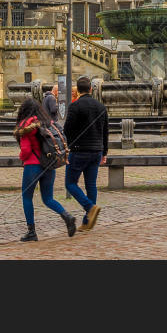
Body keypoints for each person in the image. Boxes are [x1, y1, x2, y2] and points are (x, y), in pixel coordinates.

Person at [14, 98, 77, 242]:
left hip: (32, 166)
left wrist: (21, 158)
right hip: (49, 164)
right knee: (48, 198)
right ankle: (67, 216)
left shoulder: (25, 125)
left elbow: (26, 150)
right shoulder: (47, 122)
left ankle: (31, 232)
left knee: (27, 197)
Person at [63, 76, 109, 231]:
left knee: (70, 183)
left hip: (79, 150)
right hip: (96, 151)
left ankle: (90, 207)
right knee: (91, 185)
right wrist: (104, 152)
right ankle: (87, 222)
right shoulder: (101, 107)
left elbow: (67, 130)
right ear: (90, 89)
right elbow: (105, 132)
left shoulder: (75, 106)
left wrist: (69, 146)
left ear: (77, 90)